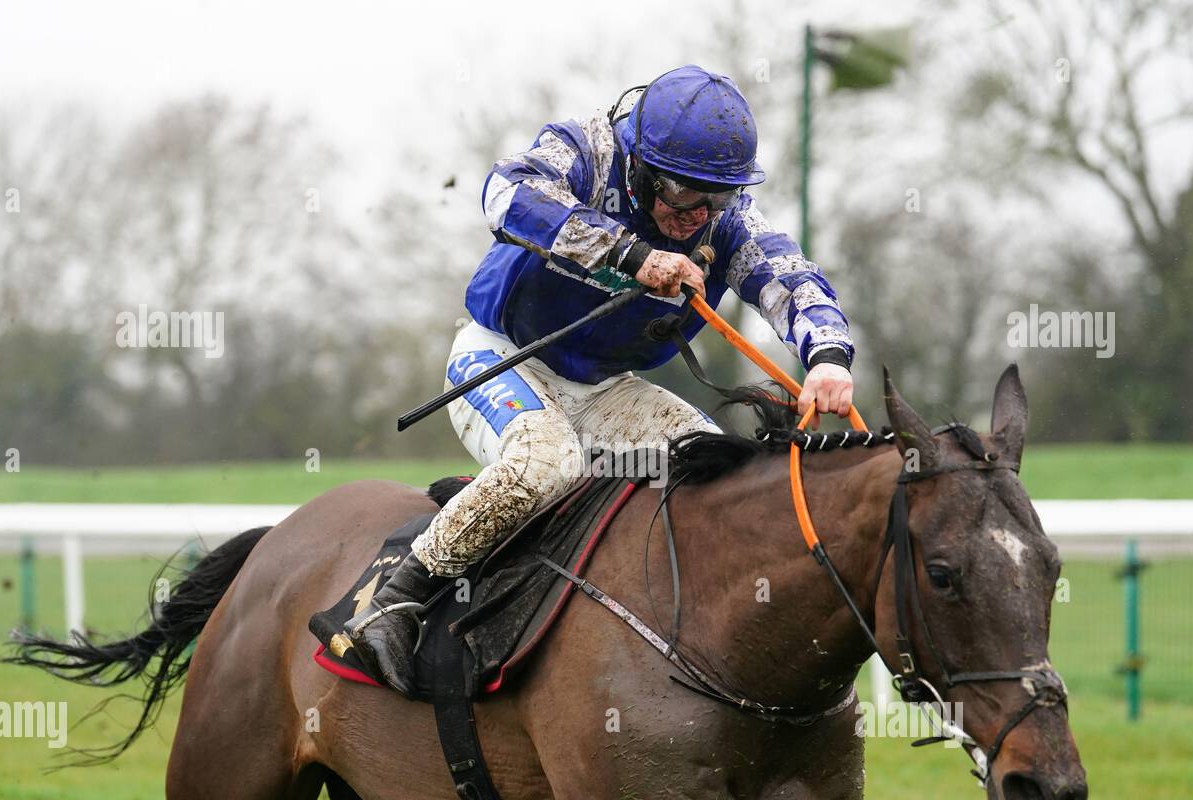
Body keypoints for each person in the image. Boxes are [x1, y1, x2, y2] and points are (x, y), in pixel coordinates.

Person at [347, 64, 857, 693]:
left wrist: (829, 357)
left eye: (717, 199)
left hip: (607, 388)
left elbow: (793, 280)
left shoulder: (728, 224)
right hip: (500, 355)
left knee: (710, 472)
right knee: (545, 464)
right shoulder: (586, 149)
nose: (697, 216)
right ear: (640, 167)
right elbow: (506, 191)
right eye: (680, 192)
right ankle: (394, 599)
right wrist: (632, 254)